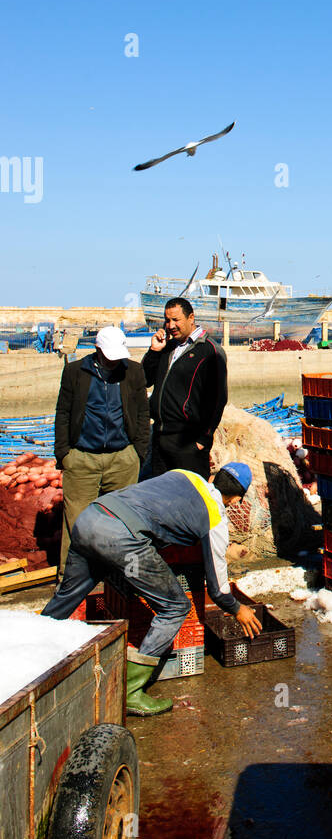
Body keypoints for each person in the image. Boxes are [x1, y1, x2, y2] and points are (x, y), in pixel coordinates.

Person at [43, 462, 262, 716]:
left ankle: (32, 657)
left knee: (67, 595)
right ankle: (131, 691)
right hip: (120, 538)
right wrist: (237, 609)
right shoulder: (215, 519)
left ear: (215, 476)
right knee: (176, 606)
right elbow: (217, 589)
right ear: (236, 499)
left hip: (90, 517)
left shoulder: (185, 473)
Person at [54, 326, 150, 573]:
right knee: (76, 523)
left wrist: (137, 453)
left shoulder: (134, 371)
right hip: (82, 459)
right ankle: (70, 581)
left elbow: (142, 413)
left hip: (122, 459)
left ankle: (119, 578)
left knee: (123, 523)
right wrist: (64, 453)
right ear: (97, 349)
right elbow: (63, 412)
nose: (114, 361)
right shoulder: (75, 372)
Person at [142, 298, 228, 478]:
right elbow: (145, 379)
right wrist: (154, 351)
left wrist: (203, 439)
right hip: (161, 438)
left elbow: (218, 399)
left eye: (176, 320)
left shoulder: (210, 351)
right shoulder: (168, 347)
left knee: (189, 499)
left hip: (188, 443)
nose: (171, 325)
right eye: (167, 320)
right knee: (162, 498)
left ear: (191, 318)